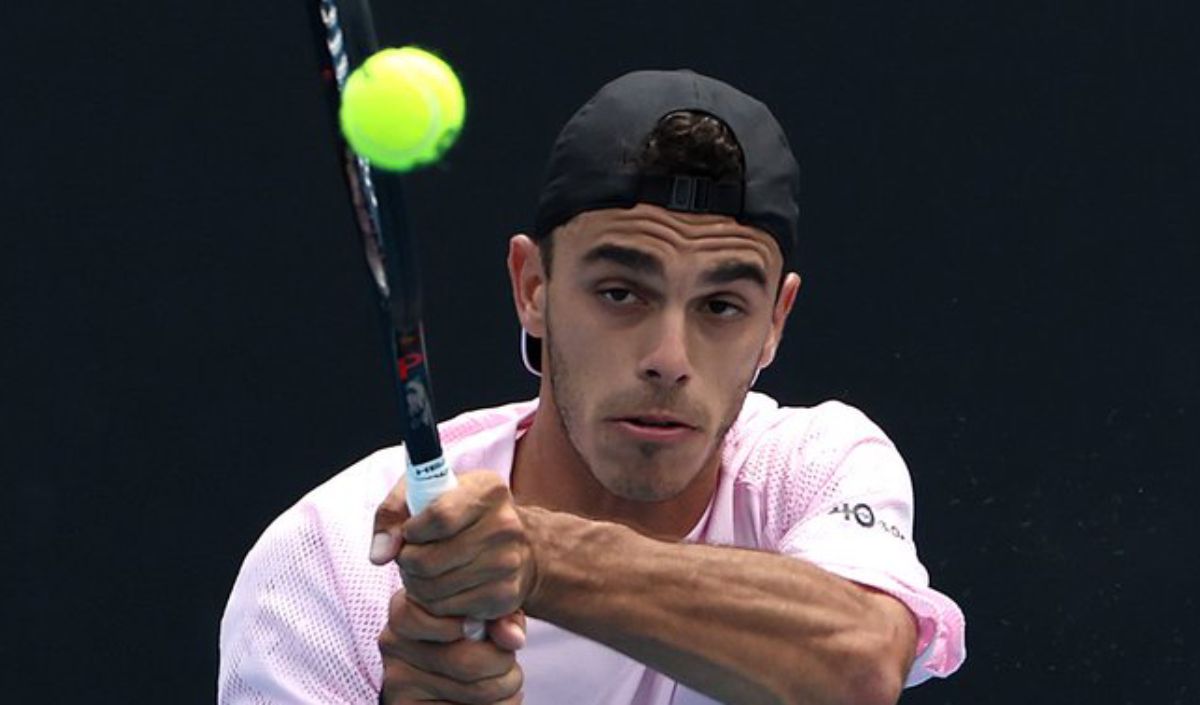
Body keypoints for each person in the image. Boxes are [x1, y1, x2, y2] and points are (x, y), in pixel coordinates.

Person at [219, 69, 966, 705]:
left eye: (720, 306)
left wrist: (544, 555)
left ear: (776, 321)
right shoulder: (332, 560)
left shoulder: (808, 468)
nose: (669, 356)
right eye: (621, 292)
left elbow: (861, 665)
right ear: (533, 286)